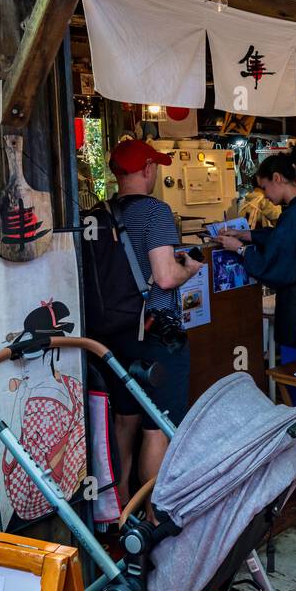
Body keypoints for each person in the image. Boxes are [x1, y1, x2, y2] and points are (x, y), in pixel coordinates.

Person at [99, 139, 203, 506]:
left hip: (112, 337)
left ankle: (122, 507)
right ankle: (155, 516)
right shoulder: (155, 213)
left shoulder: (97, 213)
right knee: (158, 425)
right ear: (147, 169)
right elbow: (164, 277)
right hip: (156, 335)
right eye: (155, 166)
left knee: (124, 419)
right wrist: (189, 267)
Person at [213, 146, 296, 428]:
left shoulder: (294, 215)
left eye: (265, 187)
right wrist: (248, 234)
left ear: (277, 178)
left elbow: (278, 263)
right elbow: (281, 238)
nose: (265, 195)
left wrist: (240, 249)